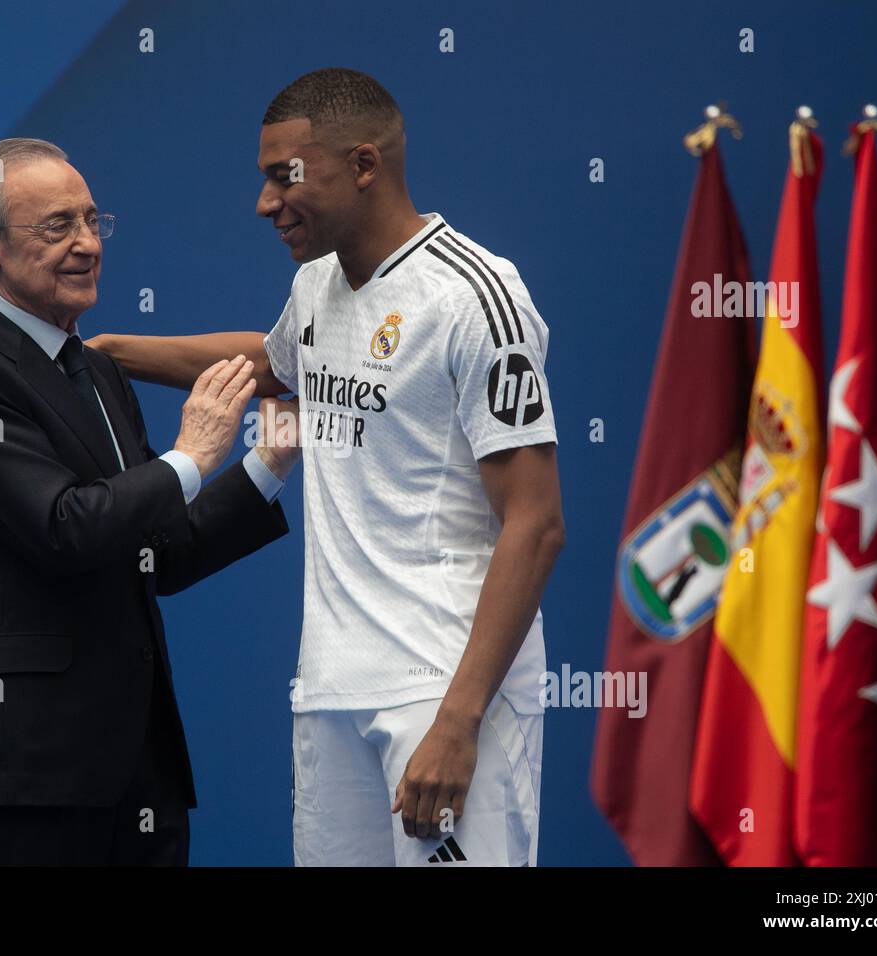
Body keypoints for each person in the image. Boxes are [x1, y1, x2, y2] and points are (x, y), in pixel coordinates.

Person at [90, 68, 565, 867]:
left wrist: (459, 718)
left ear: (365, 165)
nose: (265, 203)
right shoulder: (314, 285)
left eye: (287, 177)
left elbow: (537, 522)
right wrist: (110, 352)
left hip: (441, 688)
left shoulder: (476, 297)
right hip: (330, 691)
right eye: (264, 179)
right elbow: (272, 366)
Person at [0, 137, 297, 866]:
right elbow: (64, 529)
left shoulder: (97, 372)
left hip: (142, 773)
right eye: (56, 227)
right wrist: (192, 454)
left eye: (92, 222)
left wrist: (267, 463)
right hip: (28, 778)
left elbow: (163, 552)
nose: (86, 244)